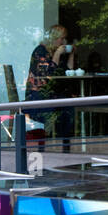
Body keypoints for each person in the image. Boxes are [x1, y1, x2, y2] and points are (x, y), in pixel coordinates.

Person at [26, 24, 76, 152]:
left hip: (54, 93)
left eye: (65, 39)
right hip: (38, 95)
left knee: (68, 104)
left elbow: (68, 71)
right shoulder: (40, 51)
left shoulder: (55, 52)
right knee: (63, 105)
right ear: (54, 38)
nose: (63, 42)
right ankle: (45, 146)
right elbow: (48, 75)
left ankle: (66, 145)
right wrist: (58, 54)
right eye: (61, 39)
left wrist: (71, 54)